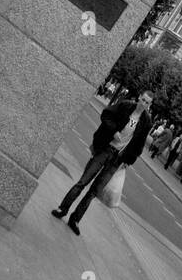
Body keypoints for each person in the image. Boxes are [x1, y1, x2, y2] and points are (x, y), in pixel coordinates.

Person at [58, 91, 154, 235]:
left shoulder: (146, 122)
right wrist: (114, 131)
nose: (143, 103)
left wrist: (129, 161)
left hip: (117, 160)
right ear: (139, 97)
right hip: (105, 149)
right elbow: (106, 115)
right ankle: (63, 209)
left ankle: (75, 220)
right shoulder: (125, 105)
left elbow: (139, 144)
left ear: (149, 105)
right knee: (83, 182)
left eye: (147, 102)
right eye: (143, 99)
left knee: (94, 192)